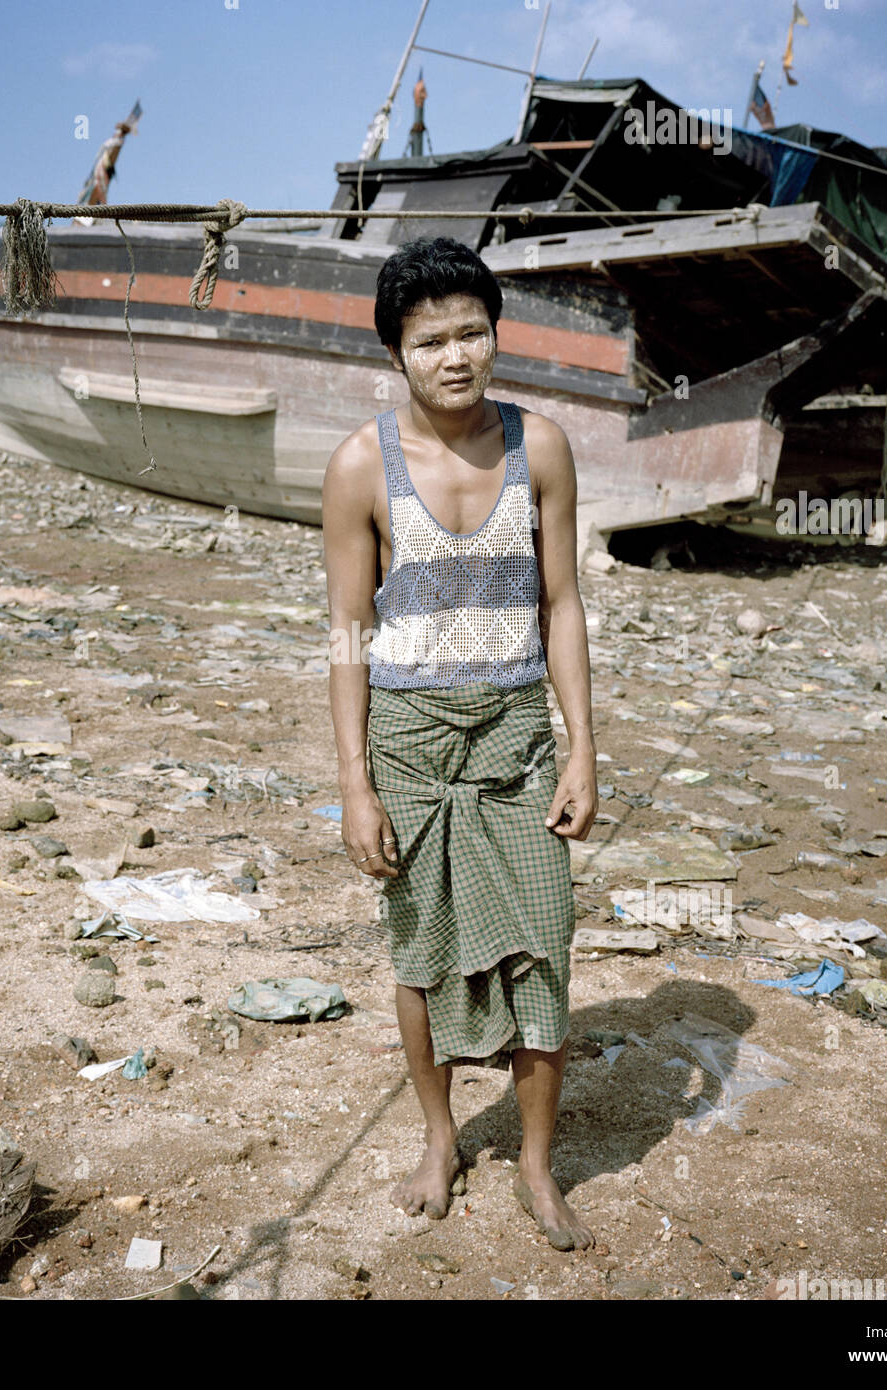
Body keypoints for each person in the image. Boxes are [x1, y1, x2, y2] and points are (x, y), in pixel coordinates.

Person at [321, 235, 598, 1251]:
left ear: (495, 335)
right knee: (420, 955)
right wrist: (354, 785)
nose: (453, 355)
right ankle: (439, 1137)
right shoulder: (360, 465)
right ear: (395, 352)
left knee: (546, 947)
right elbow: (347, 637)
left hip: (516, 739)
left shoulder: (543, 446)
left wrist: (582, 747)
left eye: (471, 332)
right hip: (407, 742)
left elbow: (561, 601)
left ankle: (534, 1162)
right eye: (428, 338)